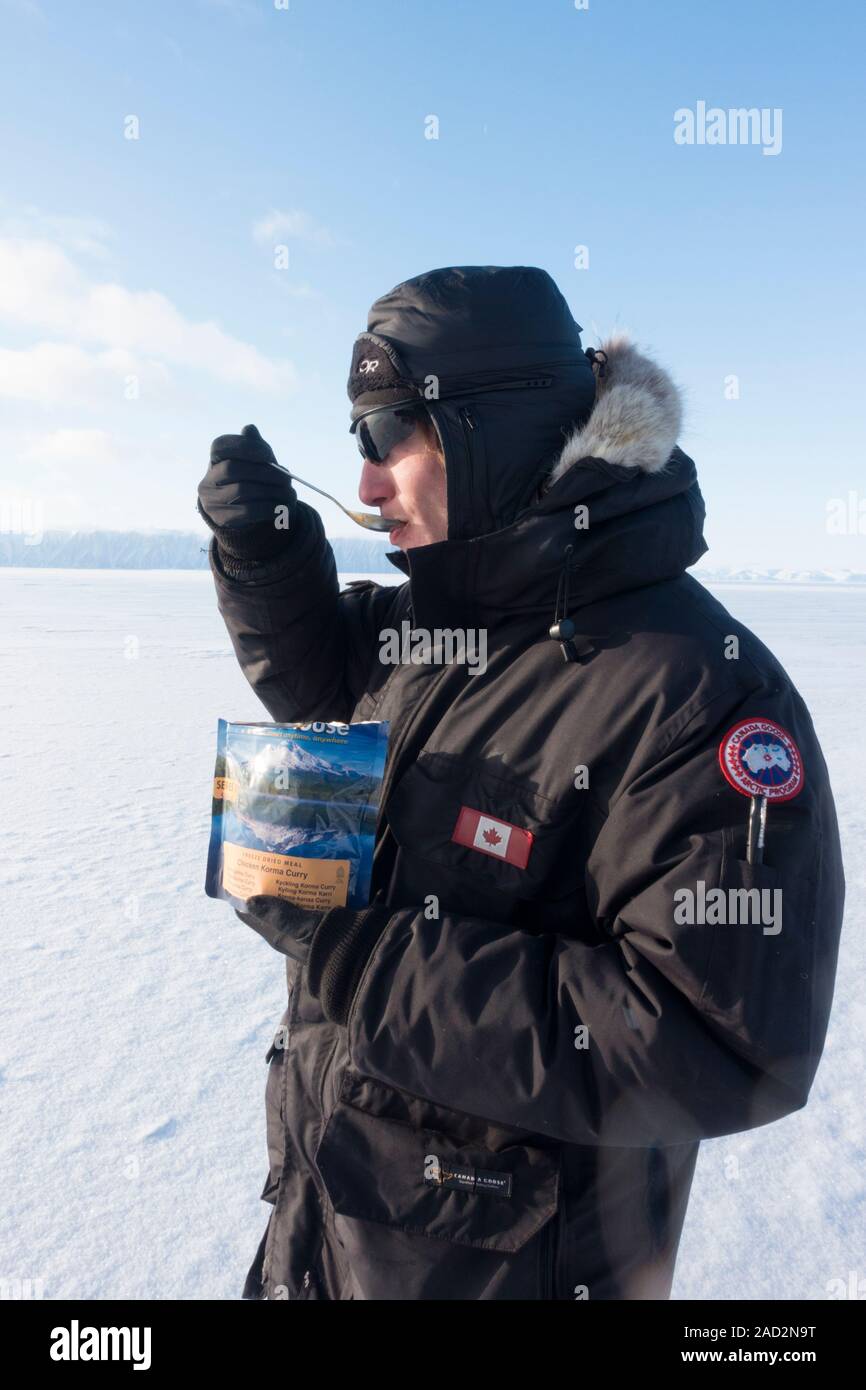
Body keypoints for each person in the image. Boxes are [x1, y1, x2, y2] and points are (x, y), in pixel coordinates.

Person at [196, 264, 845, 1301]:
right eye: (354, 439)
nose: (363, 482)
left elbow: (719, 1036)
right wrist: (269, 562)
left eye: (385, 434)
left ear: (487, 433)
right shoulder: (443, 617)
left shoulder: (697, 691)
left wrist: (359, 956)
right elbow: (328, 681)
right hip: (333, 1230)